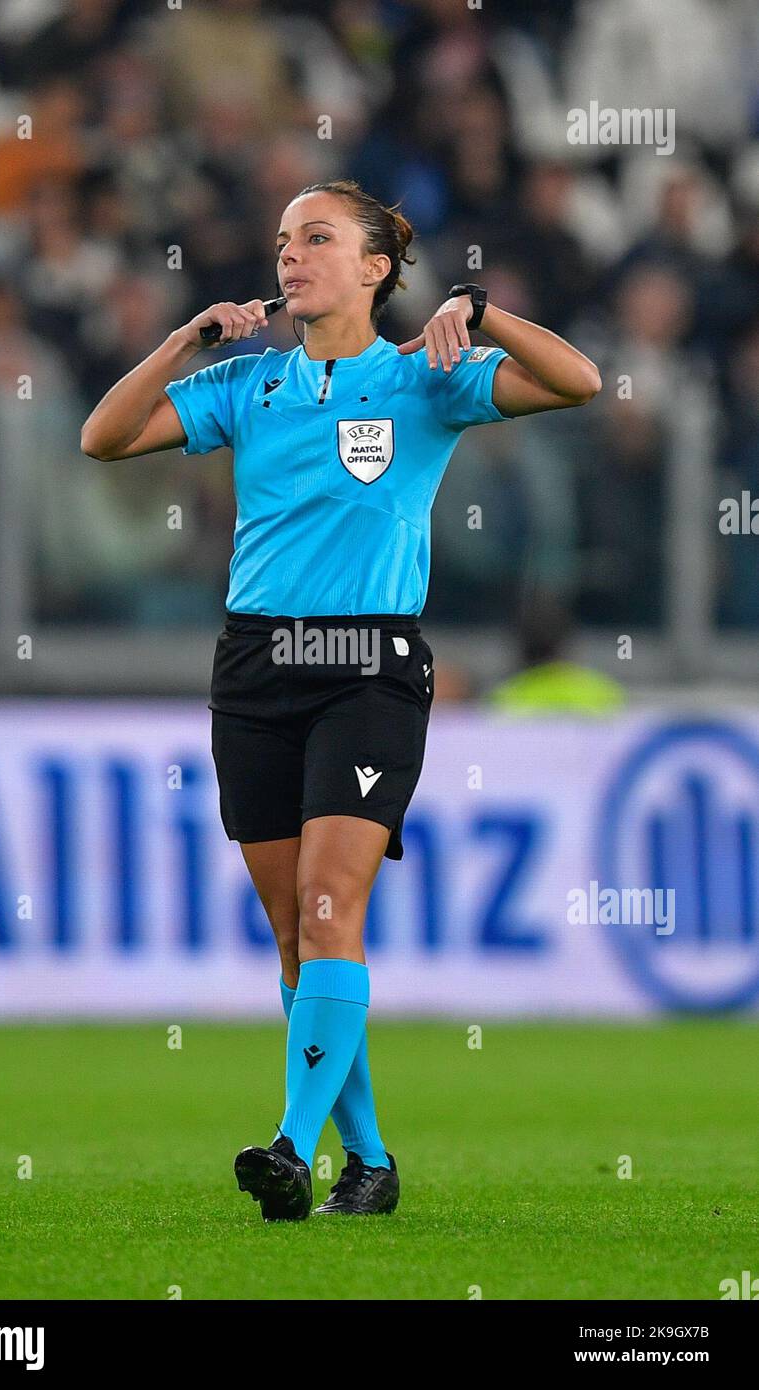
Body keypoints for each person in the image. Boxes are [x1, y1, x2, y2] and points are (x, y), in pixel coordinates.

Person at [80, 178, 602, 1221]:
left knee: (329, 907)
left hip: (368, 668)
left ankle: (288, 1141)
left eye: (317, 238)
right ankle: (366, 1161)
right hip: (255, 668)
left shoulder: (424, 378)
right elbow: (104, 436)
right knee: (293, 933)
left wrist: (482, 310)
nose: (290, 255)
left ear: (373, 268)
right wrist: (186, 339)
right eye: (282, 240)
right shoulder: (248, 385)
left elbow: (581, 379)